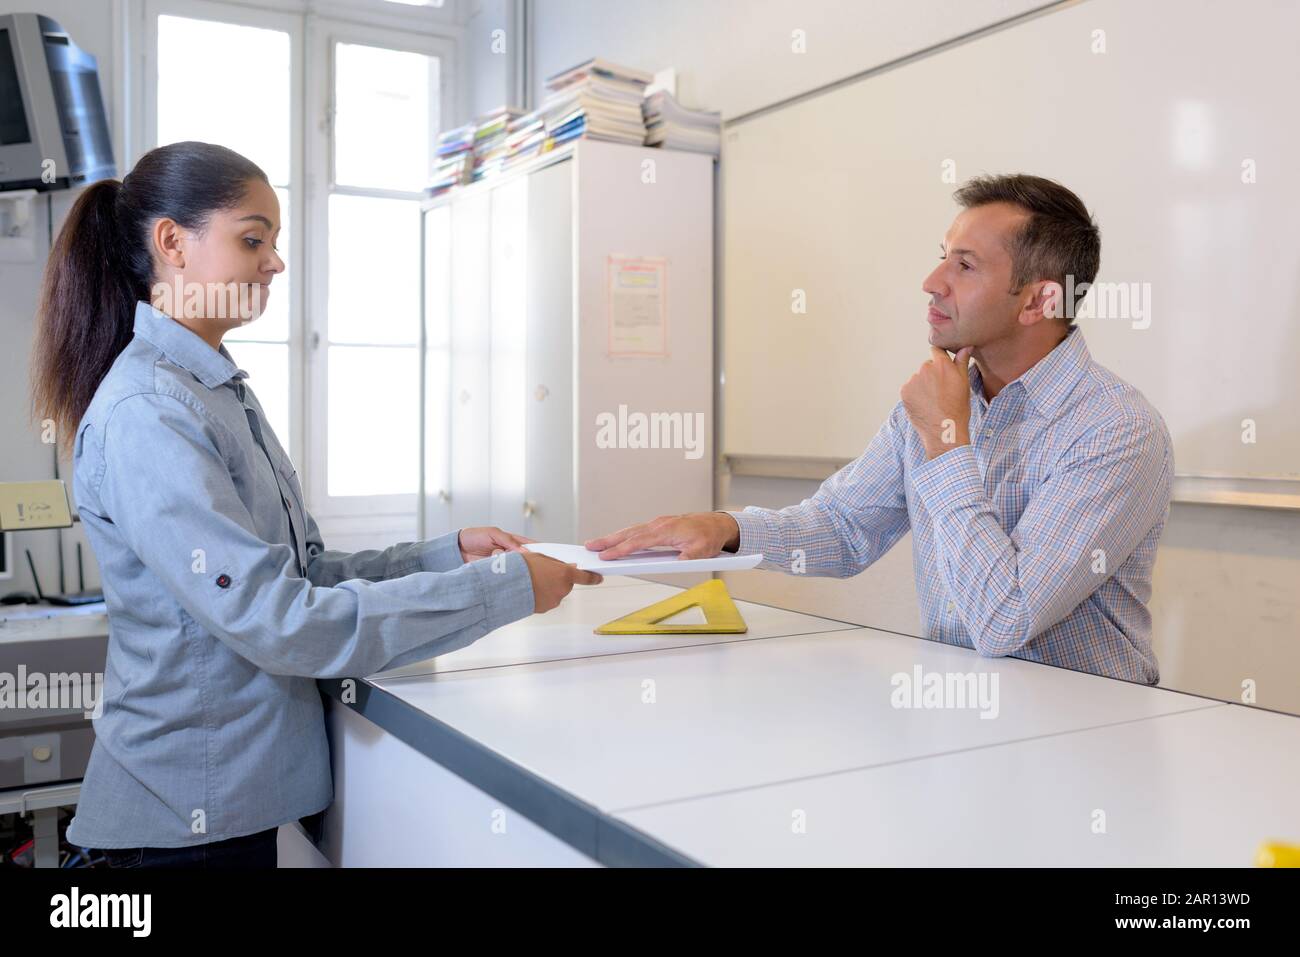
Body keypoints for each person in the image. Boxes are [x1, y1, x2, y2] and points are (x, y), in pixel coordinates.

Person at [29, 141, 601, 867]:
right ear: (172, 243)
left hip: (226, 811)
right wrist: (500, 591)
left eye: (274, 242)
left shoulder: (215, 392)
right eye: (252, 239)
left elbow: (302, 575)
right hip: (176, 828)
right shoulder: (149, 411)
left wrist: (446, 556)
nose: (275, 262)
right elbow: (276, 619)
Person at [586, 174, 1172, 685]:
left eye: (965, 265)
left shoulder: (1115, 429)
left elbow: (1005, 618)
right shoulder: (944, 398)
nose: (932, 281)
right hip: (963, 708)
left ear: (1039, 302)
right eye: (942, 256)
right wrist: (726, 529)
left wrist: (946, 440)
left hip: (1087, 728)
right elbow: (844, 528)